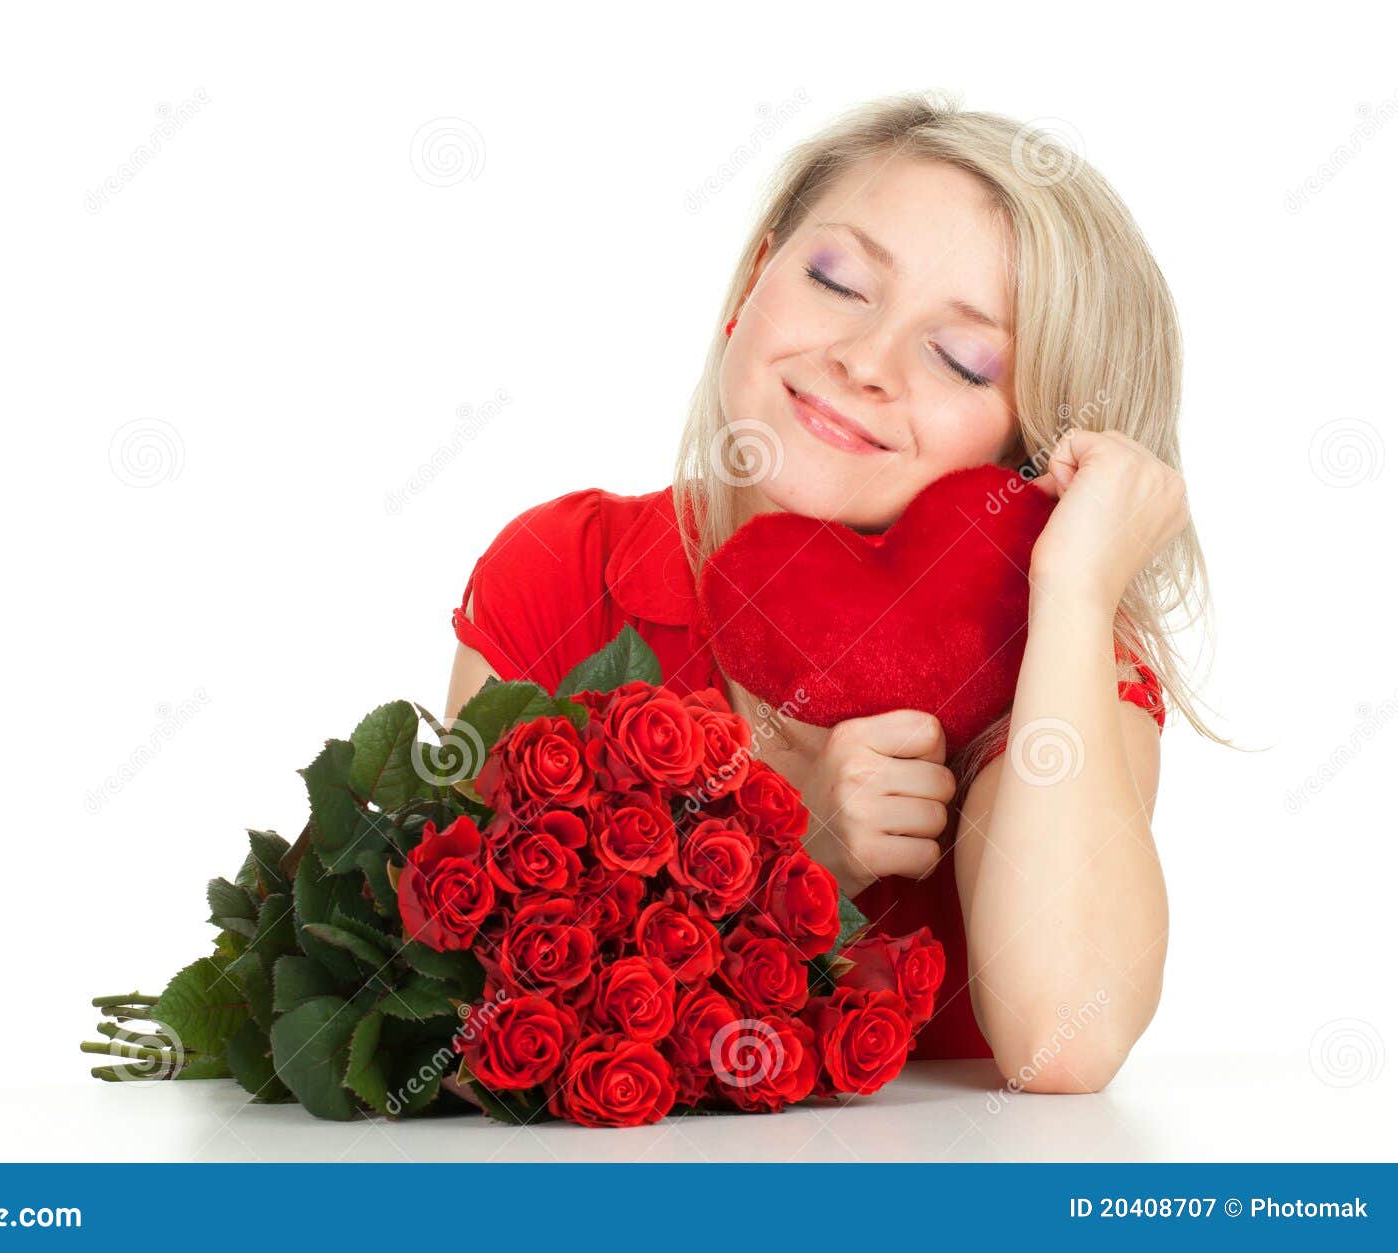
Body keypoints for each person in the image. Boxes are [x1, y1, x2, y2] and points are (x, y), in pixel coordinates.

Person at [444, 91, 1225, 1093]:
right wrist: (785, 844)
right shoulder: (562, 570)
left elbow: (1060, 1039)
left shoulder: (1056, 657)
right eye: (837, 280)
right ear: (754, 277)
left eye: (960, 357)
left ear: (1031, 455)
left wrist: (1071, 589)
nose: (864, 360)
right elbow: (459, 995)